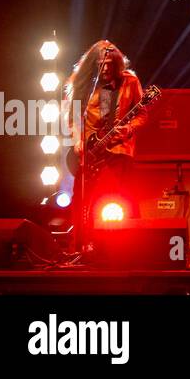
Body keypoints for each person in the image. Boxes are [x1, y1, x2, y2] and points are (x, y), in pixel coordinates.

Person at [64, 40, 148, 249]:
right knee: (81, 199)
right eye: (102, 63)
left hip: (119, 149)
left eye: (111, 63)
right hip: (89, 152)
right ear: (94, 64)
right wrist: (77, 141)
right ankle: (82, 245)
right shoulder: (83, 84)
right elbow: (73, 118)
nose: (106, 68)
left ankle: (126, 247)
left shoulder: (129, 82)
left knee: (120, 196)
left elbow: (142, 114)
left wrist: (128, 129)